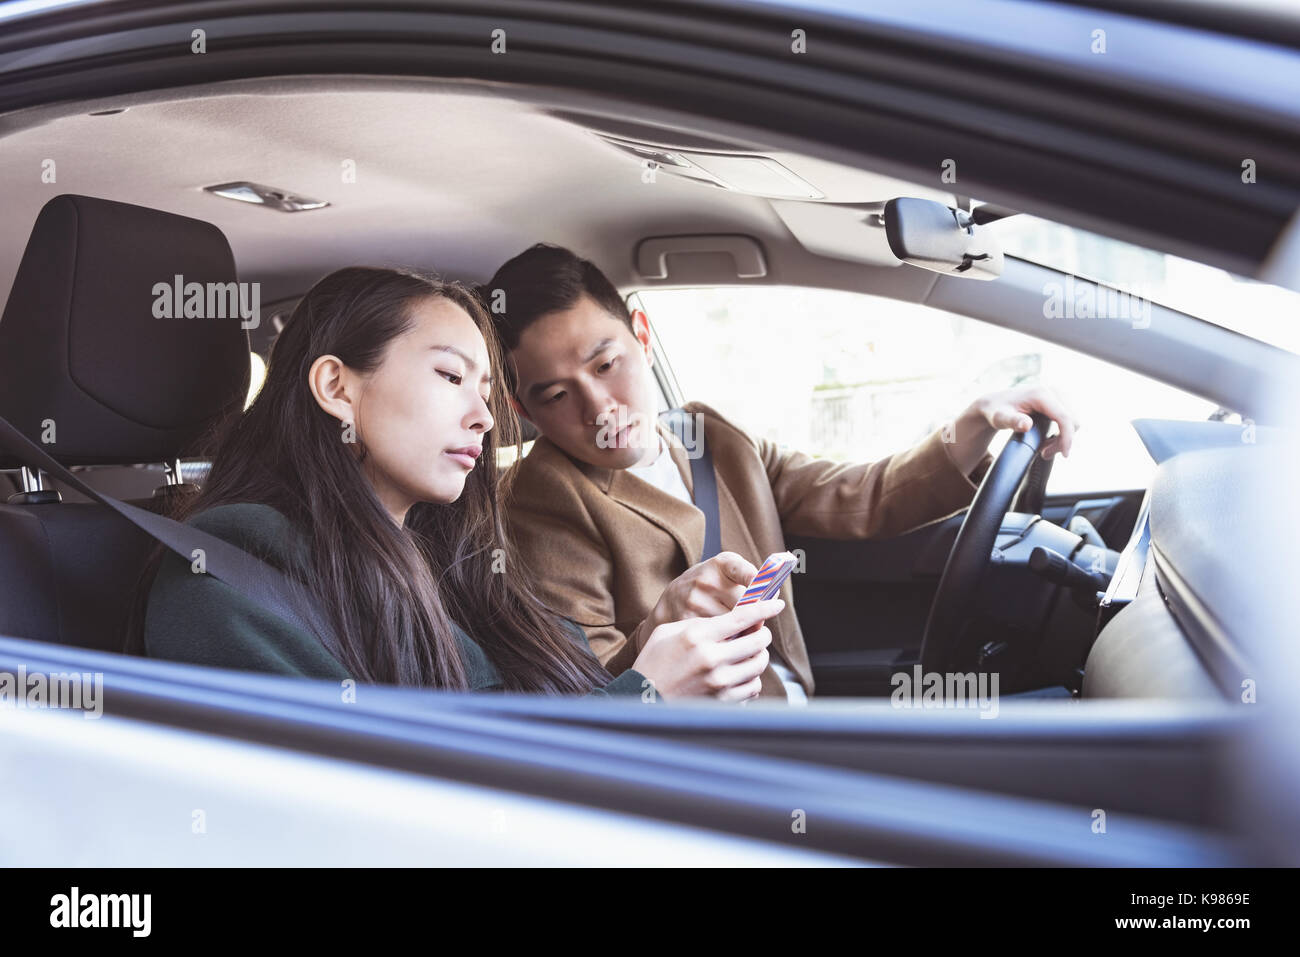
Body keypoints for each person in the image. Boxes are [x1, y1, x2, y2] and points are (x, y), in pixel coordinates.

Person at [129, 266, 783, 701]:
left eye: (487, 390)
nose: (483, 416)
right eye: (450, 376)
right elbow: (397, 818)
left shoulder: (455, 565)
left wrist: (655, 636)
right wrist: (649, 700)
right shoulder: (222, 580)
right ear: (336, 386)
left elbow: (539, 720)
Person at [486, 244, 1080, 702]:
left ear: (641, 337)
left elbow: (858, 497)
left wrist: (969, 428)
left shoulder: (708, 438)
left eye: (607, 364)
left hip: (796, 710)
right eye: (558, 394)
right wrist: (666, 620)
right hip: (715, 763)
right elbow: (591, 695)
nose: (599, 407)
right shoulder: (542, 500)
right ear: (522, 409)